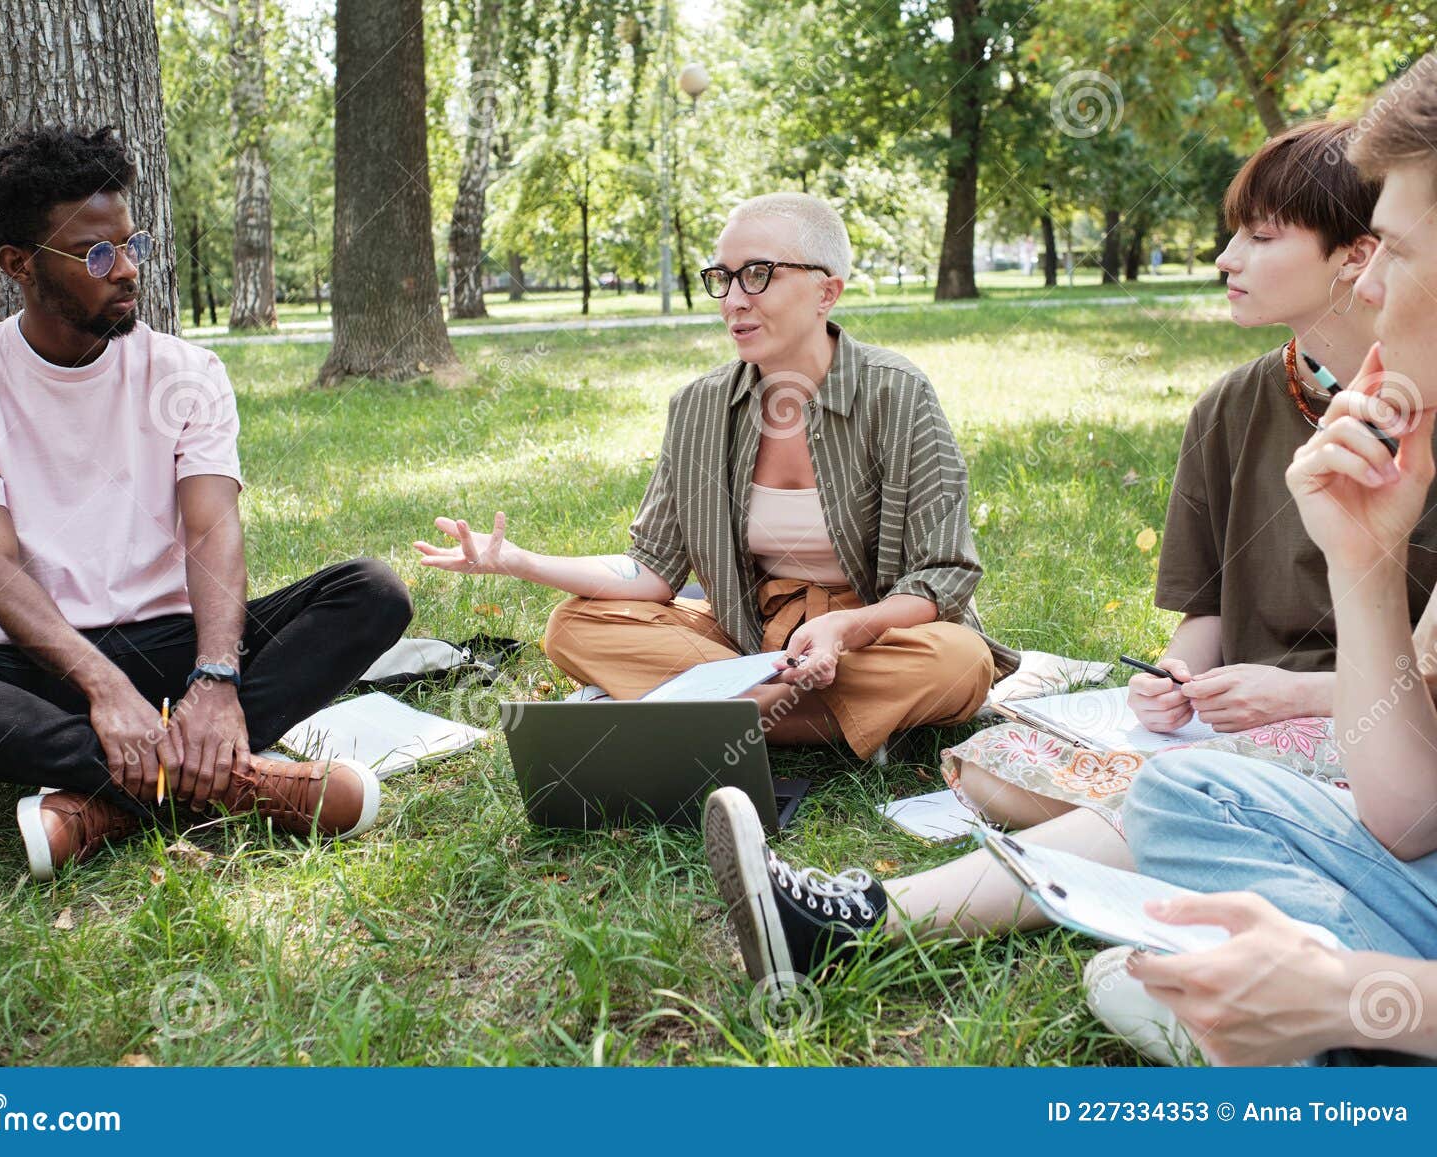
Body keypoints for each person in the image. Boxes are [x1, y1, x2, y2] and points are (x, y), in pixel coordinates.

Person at [702, 119, 1437, 989]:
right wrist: (1171, 676)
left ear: (1355, 258)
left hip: (1355, 741)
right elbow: (1203, 607)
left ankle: (861, 919)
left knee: (1174, 798)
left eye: (1261, 236)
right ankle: (1237, 876)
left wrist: (1296, 691)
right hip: (1247, 730)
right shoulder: (1232, 406)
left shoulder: (1413, 423)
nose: (1225, 257)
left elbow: (1415, 707)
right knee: (990, 766)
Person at [0, 126, 412, 882]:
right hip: (40, 668)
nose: (129, 269)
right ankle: (237, 783)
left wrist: (215, 680)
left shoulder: (188, 371)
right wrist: (104, 689)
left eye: (131, 242)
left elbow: (212, 530)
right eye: (97, 254)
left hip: (176, 648)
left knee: (372, 591)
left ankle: (107, 802)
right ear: (19, 264)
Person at [1092, 56, 1437, 1068]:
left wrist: (1358, 990)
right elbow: (1413, 817)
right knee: (1178, 793)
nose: (1370, 283)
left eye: (1399, 253)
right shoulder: (1236, 407)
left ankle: (1330, 1035)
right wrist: (1364, 564)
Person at [416, 192, 1015, 760]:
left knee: (960, 661)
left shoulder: (897, 392)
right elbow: (651, 570)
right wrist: (522, 561)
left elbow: (943, 574)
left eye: (758, 274)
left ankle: (713, 712)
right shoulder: (699, 406)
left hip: (872, 632)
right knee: (574, 626)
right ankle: (819, 721)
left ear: (825, 291)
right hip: (750, 633)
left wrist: (847, 627)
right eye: (723, 278)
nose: (734, 299)